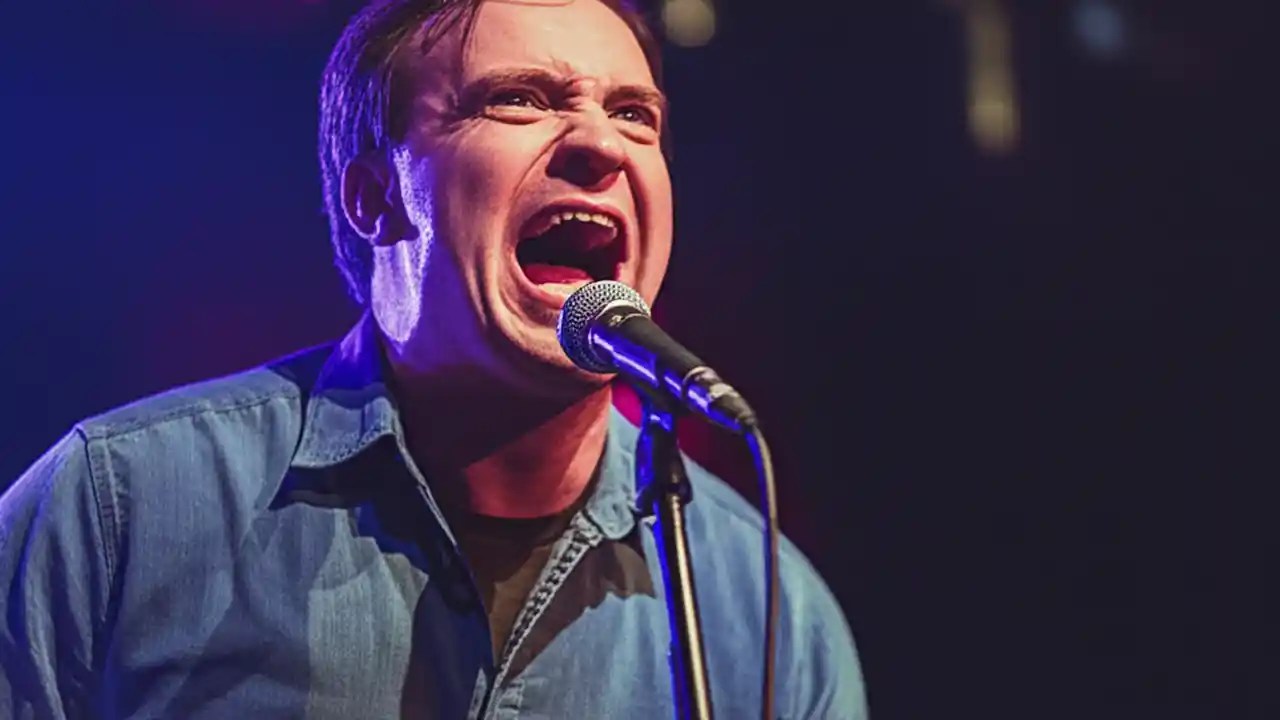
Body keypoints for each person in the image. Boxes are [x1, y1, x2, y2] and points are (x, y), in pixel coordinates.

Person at [0, 0, 868, 717]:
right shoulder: (116, 514)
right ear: (378, 198)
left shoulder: (768, 614)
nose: (601, 146)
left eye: (634, 114)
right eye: (521, 100)